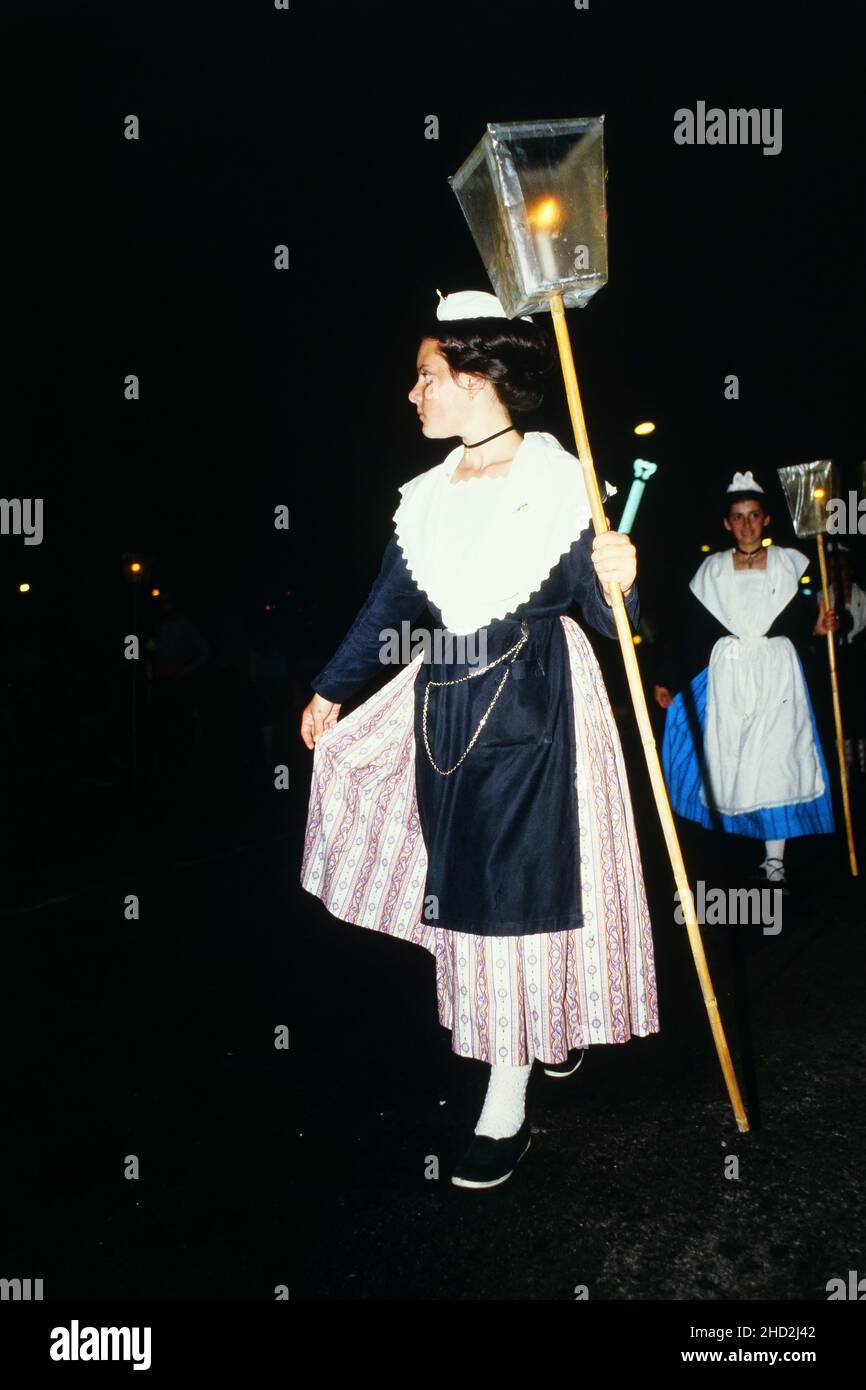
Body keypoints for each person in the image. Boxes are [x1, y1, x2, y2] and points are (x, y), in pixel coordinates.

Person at [300, 289, 659, 1190]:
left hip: (541, 700)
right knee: (471, 889)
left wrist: (623, 577)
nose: (414, 395)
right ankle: (544, 1029)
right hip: (448, 706)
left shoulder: (561, 478)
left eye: (427, 378)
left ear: (475, 378)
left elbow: (616, 626)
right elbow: (390, 604)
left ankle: (506, 1102)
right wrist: (331, 687)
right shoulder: (421, 497)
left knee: (520, 894)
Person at [653, 472, 837, 885]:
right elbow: (689, 633)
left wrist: (817, 626)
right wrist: (668, 676)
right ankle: (738, 844)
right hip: (729, 677)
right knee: (736, 759)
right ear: (727, 524)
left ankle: (776, 858)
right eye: (738, 517)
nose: (747, 524)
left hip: (778, 676)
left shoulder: (788, 564)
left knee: (777, 759)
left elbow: (797, 621)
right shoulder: (712, 572)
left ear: (766, 519)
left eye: (754, 515)